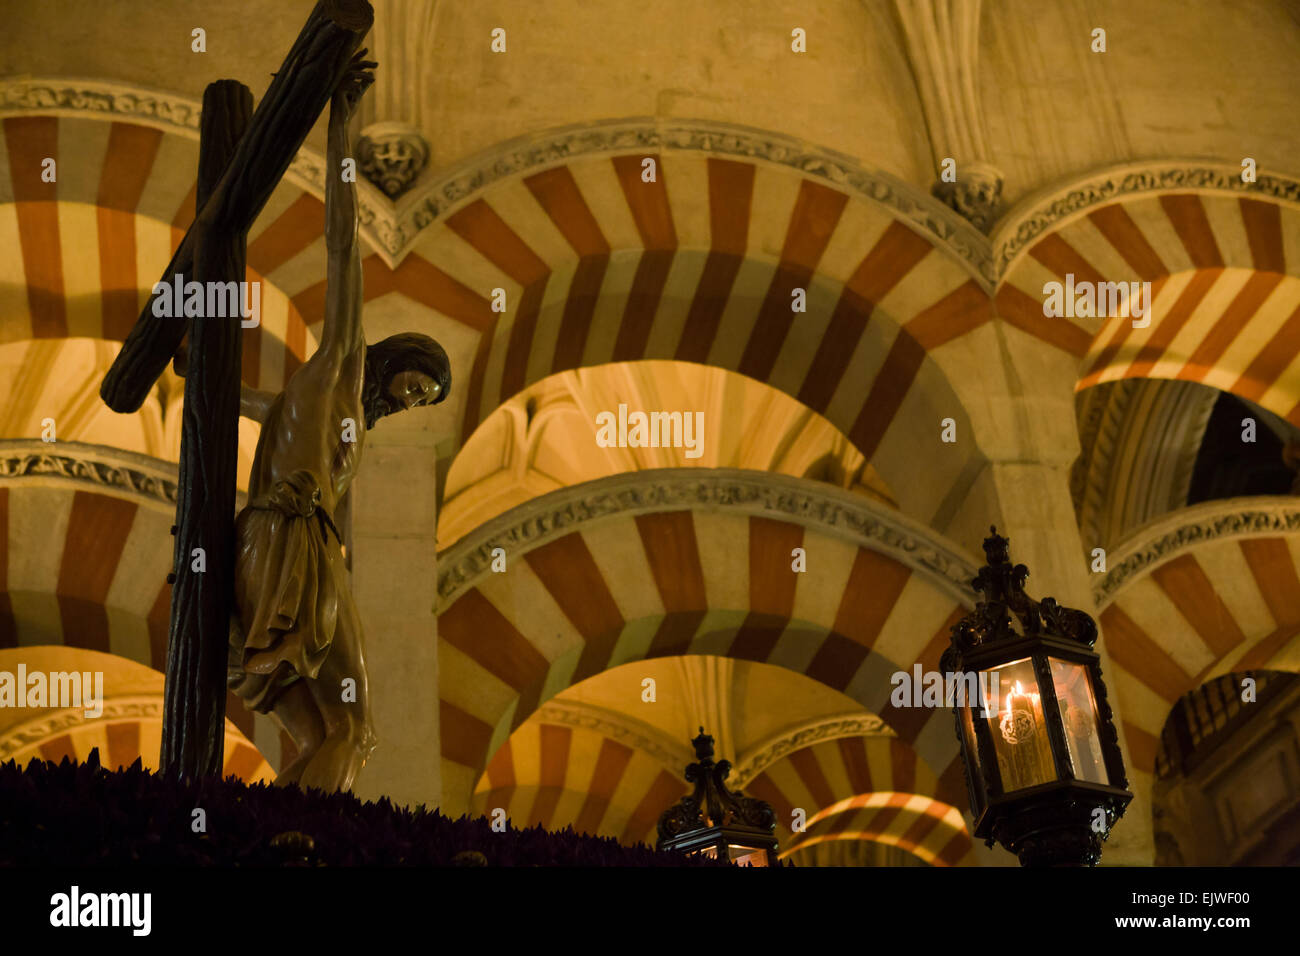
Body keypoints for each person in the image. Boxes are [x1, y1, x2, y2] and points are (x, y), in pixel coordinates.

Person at [183, 50, 451, 792]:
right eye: (415, 383)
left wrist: (207, 381)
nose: (409, 402)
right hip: (294, 542)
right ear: (393, 357)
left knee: (315, 735)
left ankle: (281, 835)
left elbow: (262, 409)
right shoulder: (338, 362)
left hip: (269, 546)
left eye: (421, 404)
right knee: (355, 729)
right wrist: (342, 121)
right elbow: (342, 244)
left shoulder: (319, 407)